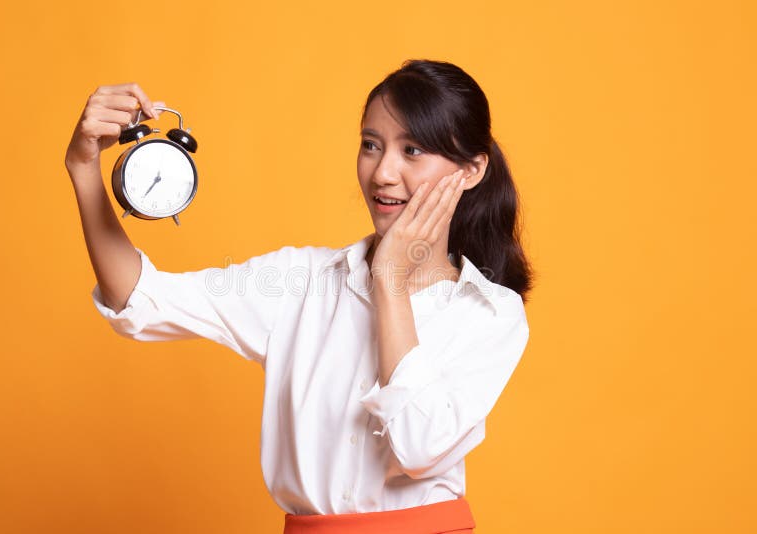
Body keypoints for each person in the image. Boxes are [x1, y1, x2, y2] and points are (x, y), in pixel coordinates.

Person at [65, 58, 534, 534]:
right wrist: (84, 168)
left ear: (471, 170)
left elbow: (419, 447)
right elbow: (138, 299)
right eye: (371, 145)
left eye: (412, 150)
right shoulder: (299, 280)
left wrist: (390, 281)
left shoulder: (490, 312)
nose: (383, 173)